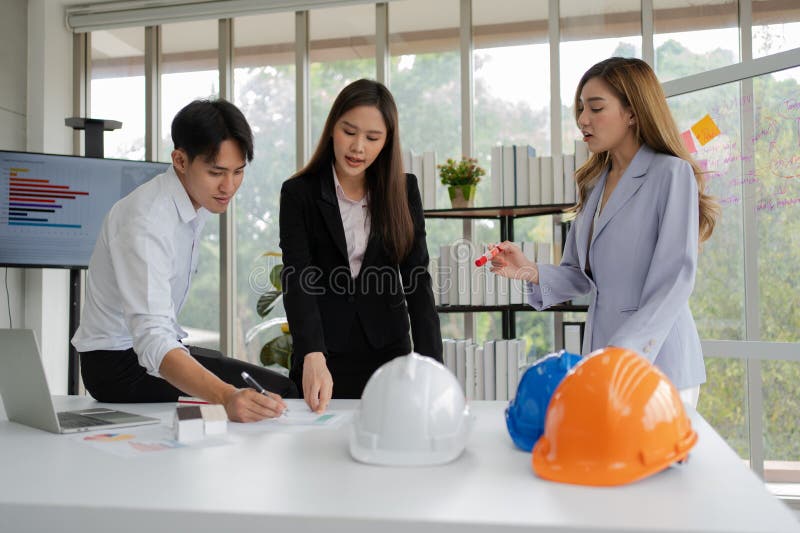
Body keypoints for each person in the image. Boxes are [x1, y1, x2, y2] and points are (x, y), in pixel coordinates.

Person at [490, 57, 719, 408]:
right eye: (581, 108)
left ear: (632, 113)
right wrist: (529, 270)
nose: (583, 119)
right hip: (604, 360)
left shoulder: (671, 175)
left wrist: (623, 353)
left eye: (596, 108)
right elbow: (579, 277)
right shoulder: (594, 183)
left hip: (659, 365)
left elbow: (674, 280)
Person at [72, 99, 297, 422]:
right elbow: (152, 337)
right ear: (180, 160)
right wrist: (225, 396)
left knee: (266, 389)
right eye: (216, 172)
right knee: (276, 393)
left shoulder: (192, 200)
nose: (228, 186)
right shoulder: (147, 221)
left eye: (238, 172)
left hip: (141, 353)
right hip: (118, 367)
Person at [280, 79, 442, 412]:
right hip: (322, 355)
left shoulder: (404, 191)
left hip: (389, 354)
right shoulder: (299, 193)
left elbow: (417, 282)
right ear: (332, 128)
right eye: (349, 131)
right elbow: (298, 279)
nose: (358, 147)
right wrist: (311, 353)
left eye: (372, 138)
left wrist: (434, 371)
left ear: (387, 141)